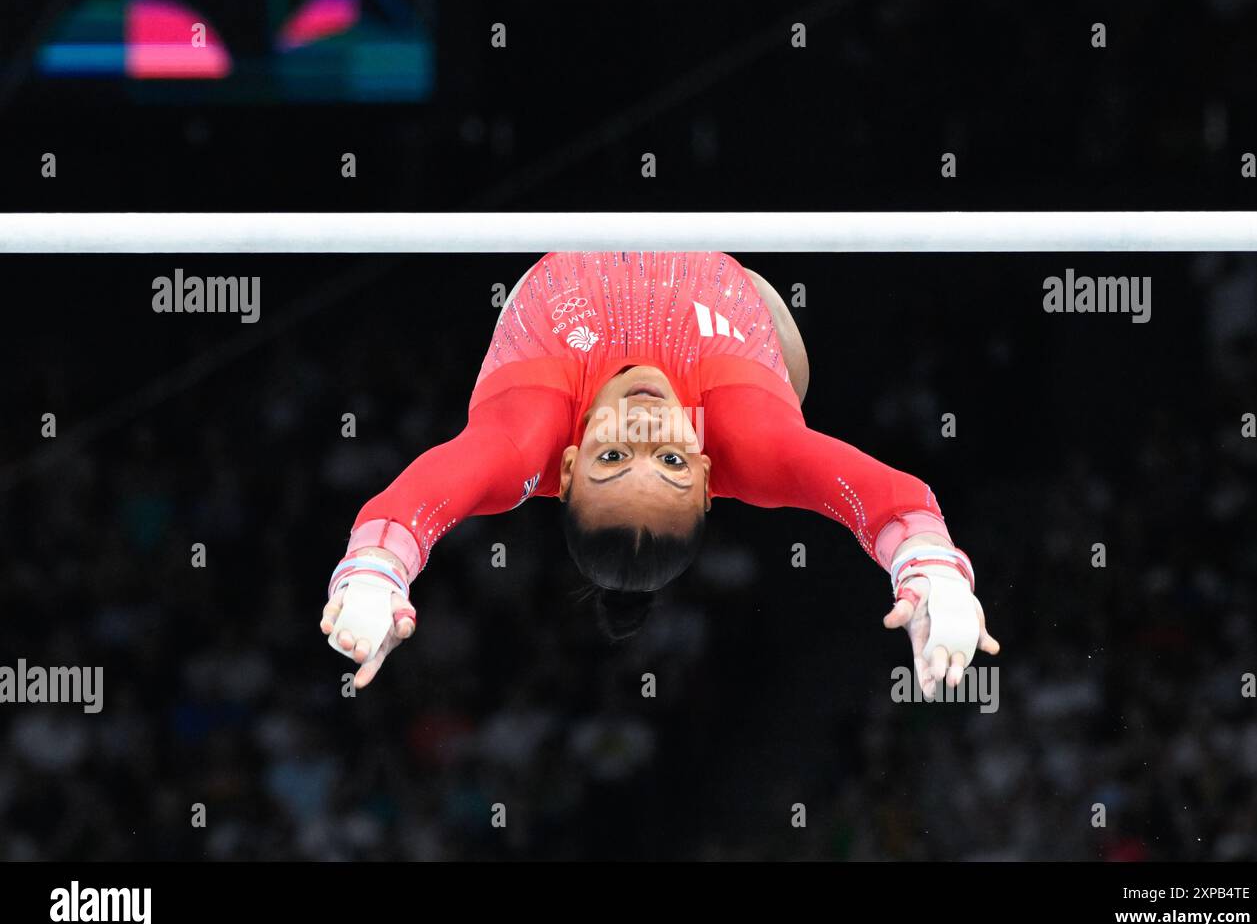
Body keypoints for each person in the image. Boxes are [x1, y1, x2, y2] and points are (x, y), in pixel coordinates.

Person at [320, 252, 998, 691]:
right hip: (735, 298)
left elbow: (417, 501)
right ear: (706, 477)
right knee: (781, 427)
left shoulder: (529, 432)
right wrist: (929, 568)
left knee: (494, 439)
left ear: (569, 461)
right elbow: (891, 499)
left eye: (612, 456)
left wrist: (376, 571)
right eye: (672, 460)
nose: (645, 431)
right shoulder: (744, 440)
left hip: (558, 297)